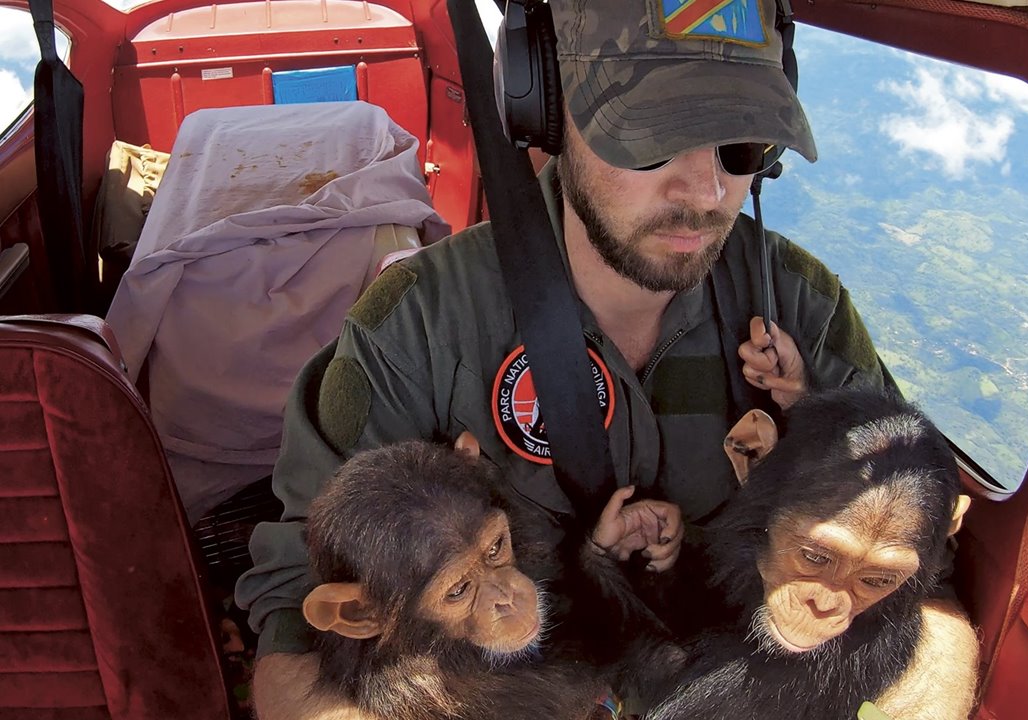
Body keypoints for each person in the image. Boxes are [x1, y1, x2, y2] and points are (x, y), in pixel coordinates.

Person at [236, 0, 892, 716]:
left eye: (740, 148)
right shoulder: (417, 326)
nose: (705, 194)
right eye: (652, 139)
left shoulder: (804, 309)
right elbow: (302, 614)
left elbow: (919, 564)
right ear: (543, 106)